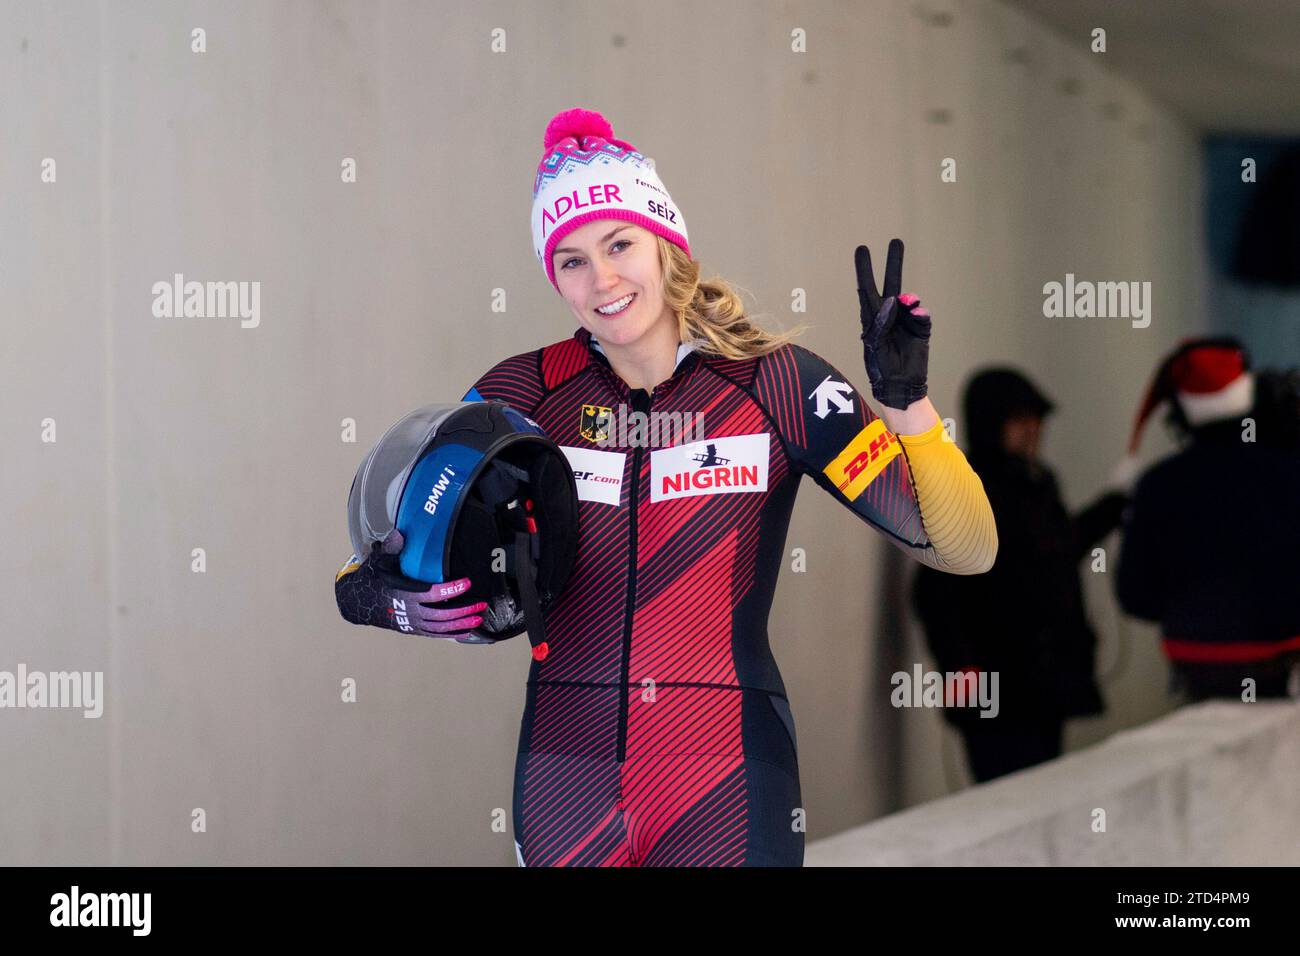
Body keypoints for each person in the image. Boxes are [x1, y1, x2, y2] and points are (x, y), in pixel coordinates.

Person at [335, 107, 998, 866]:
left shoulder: (776, 387)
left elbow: (966, 549)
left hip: (727, 780)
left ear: (666, 244)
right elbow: (362, 581)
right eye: (572, 259)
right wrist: (405, 607)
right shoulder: (519, 400)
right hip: (565, 781)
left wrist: (907, 403)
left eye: (620, 244)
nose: (603, 280)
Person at [912, 369, 1130, 783]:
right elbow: (934, 591)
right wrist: (960, 666)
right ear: (992, 423)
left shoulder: (1037, 484)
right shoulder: (966, 487)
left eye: (1036, 420)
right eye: (1020, 420)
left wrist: (1113, 507)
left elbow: (1059, 550)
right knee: (1004, 799)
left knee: (1038, 796)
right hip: (996, 688)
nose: (1034, 430)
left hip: (1045, 685)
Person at [1117, 337, 1300, 701]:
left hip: (1195, 661)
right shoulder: (1289, 474)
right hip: (1284, 660)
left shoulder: (1157, 485)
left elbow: (1135, 595)